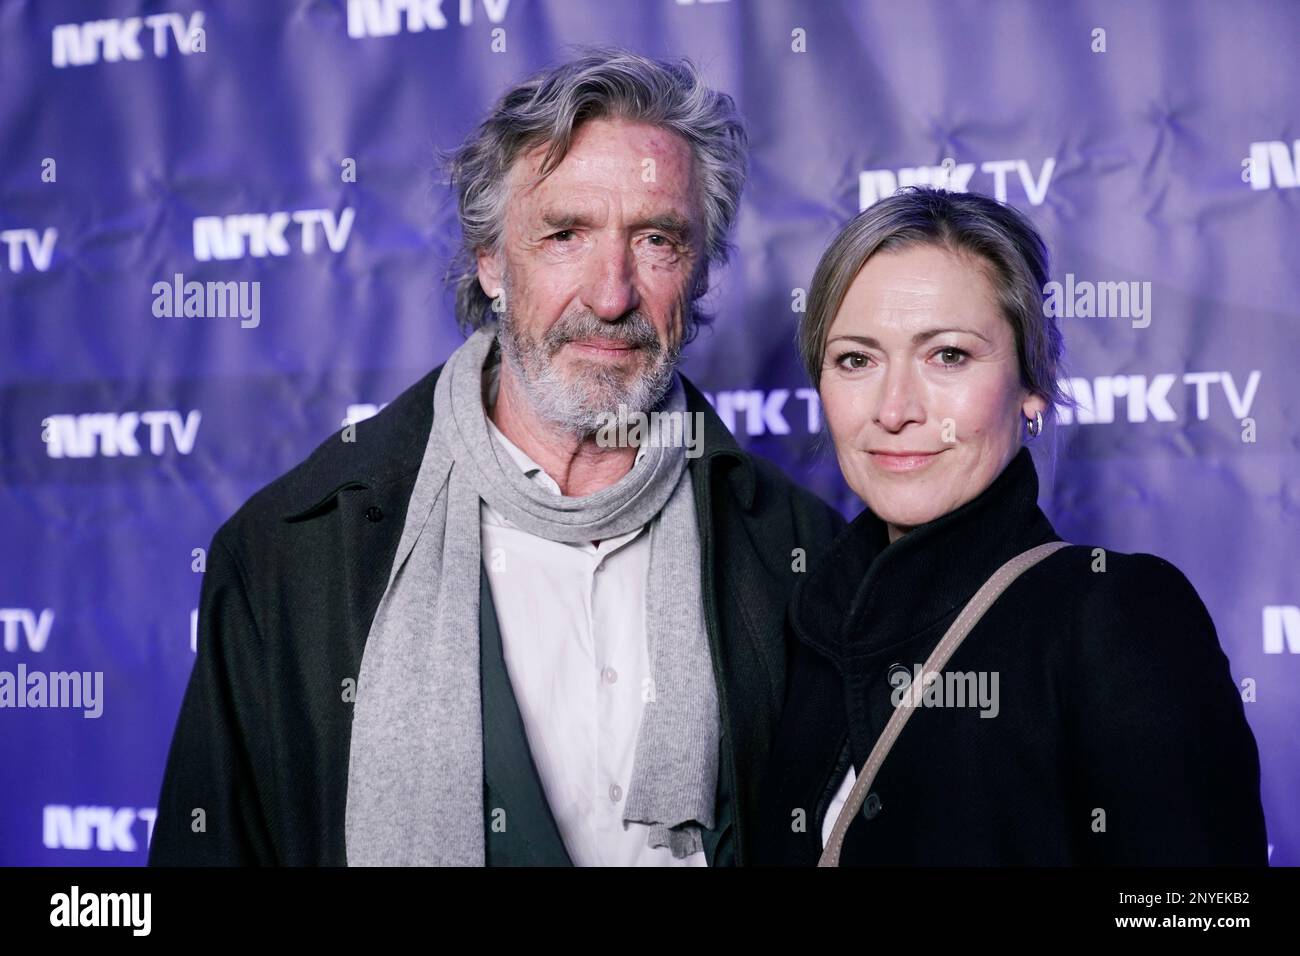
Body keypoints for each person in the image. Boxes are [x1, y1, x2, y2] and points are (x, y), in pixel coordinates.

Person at [149, 48, 844, 867]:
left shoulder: (801, 555)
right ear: (490, 263)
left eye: (657, 239)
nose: (612, 294)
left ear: (696, 274)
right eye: (565, 234)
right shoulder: (293, 556)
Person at [755, 186, 1268, 866]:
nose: (897, 408)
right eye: (857, 359)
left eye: (948, 356)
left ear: (1032, 385)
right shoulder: (801, 629)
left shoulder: (1116, 618)